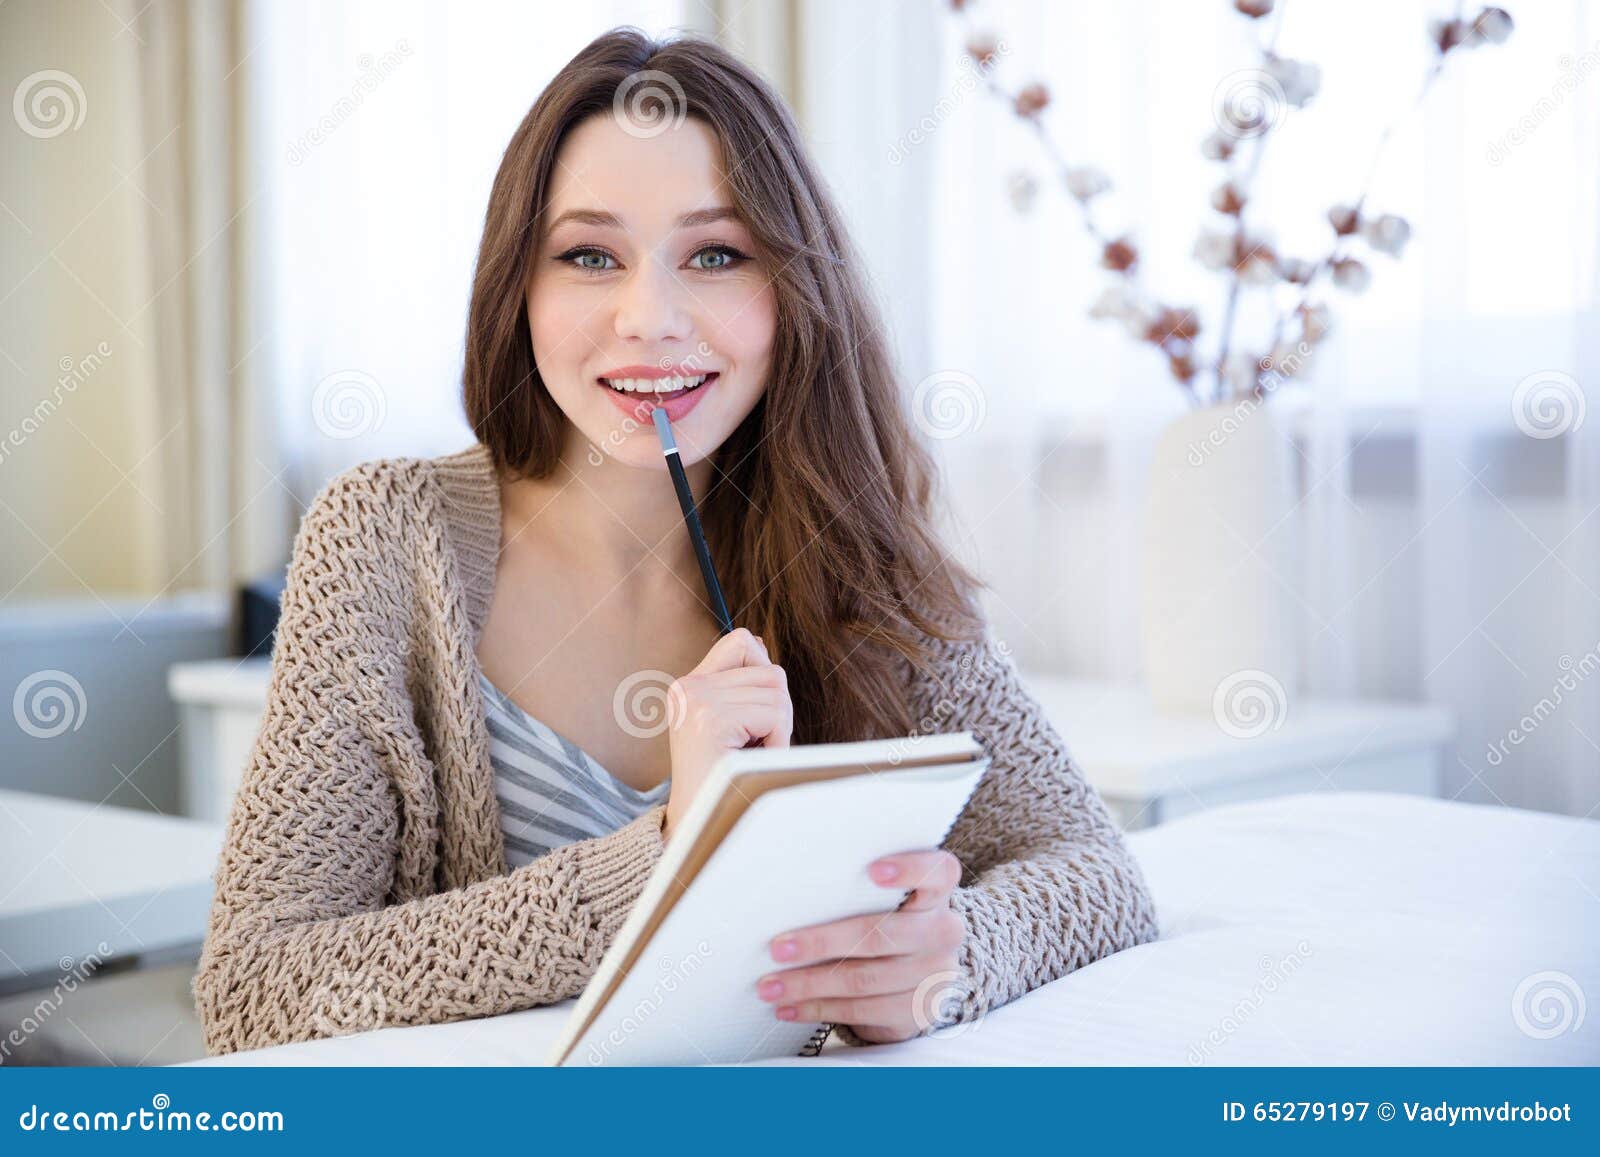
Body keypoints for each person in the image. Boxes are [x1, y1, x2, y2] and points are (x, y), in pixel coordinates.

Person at [193, 27, 1159, 1057]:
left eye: (715, 254)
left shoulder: (851, 547)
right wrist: (667, 853)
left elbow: (1095, 869)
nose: (648, 317)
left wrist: (952, 954)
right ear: (516, 289)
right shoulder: (385, 536)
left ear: (793, 291)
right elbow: (257, 988)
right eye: (588, 255)